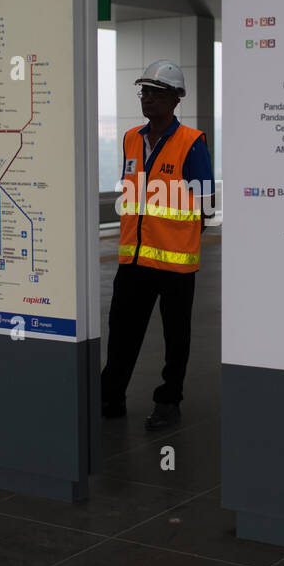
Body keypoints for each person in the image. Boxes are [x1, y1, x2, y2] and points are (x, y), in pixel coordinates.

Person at [101, 59, 213, 430]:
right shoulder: (132, 137)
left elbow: (205, 203)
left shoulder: (192, 143)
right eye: (144, 92)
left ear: (175, 99)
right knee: (122, 331)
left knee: (175, 337)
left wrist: (175, 233)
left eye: (155, 93)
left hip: (176, 263)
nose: (147, 99)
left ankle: (169, 400)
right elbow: (132, 191)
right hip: (133, 257)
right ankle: (110, 397)